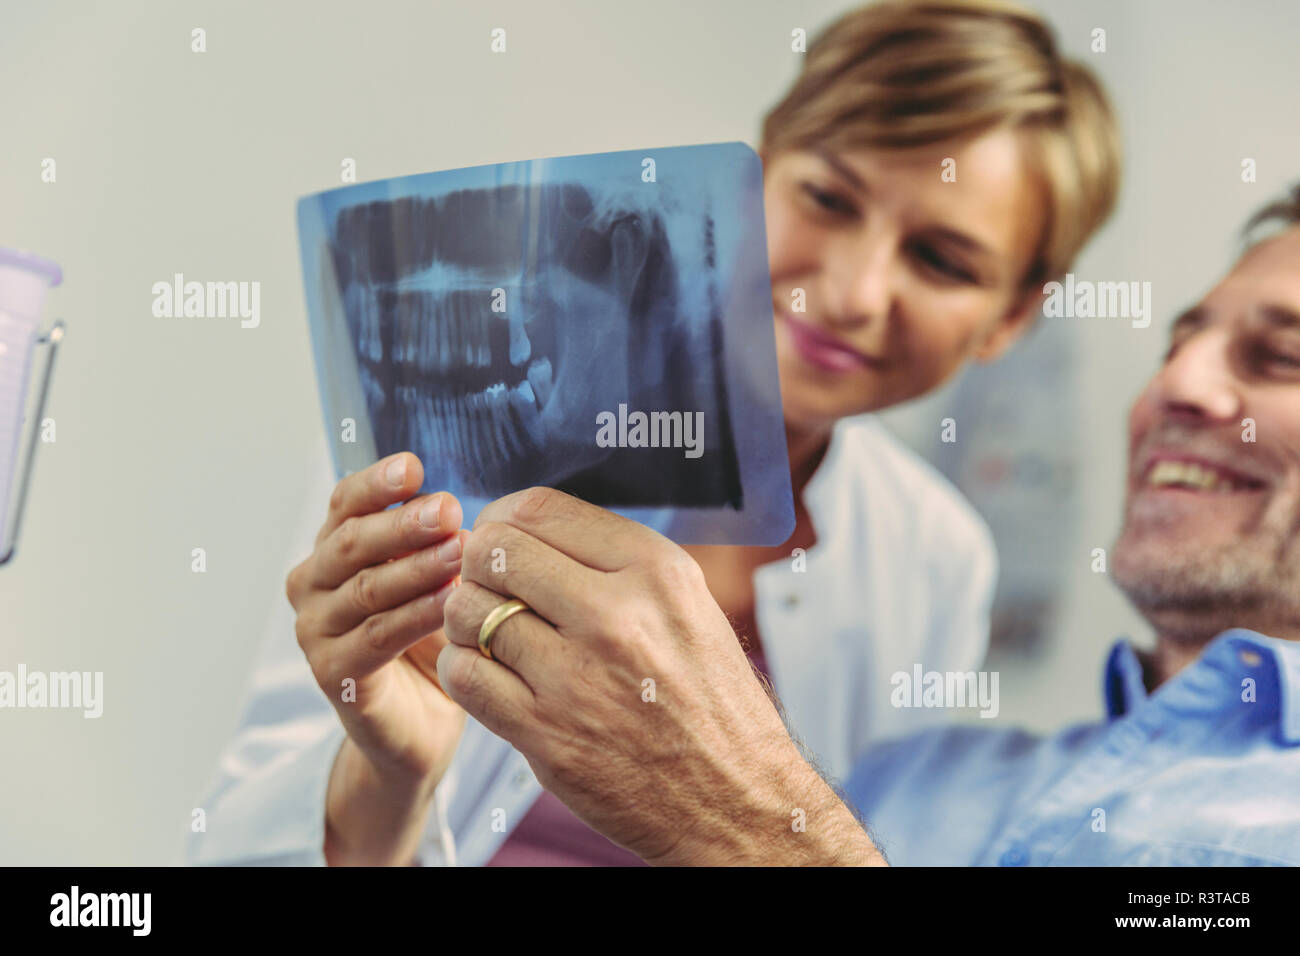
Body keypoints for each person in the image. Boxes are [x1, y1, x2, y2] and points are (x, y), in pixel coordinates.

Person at [188, 0, 1120, 866]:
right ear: (753, 174)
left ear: (1012, 316)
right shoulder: (457, 416)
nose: (852, 292)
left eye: (941, 258)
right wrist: (389, 771)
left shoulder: (934, 557)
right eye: (829, 199)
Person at [430, 184, 1300, 866]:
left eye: (1282, 357)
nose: (1175, 386)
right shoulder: (909, 774)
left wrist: (756, 837)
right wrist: (386, 787)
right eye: (1175, 346)